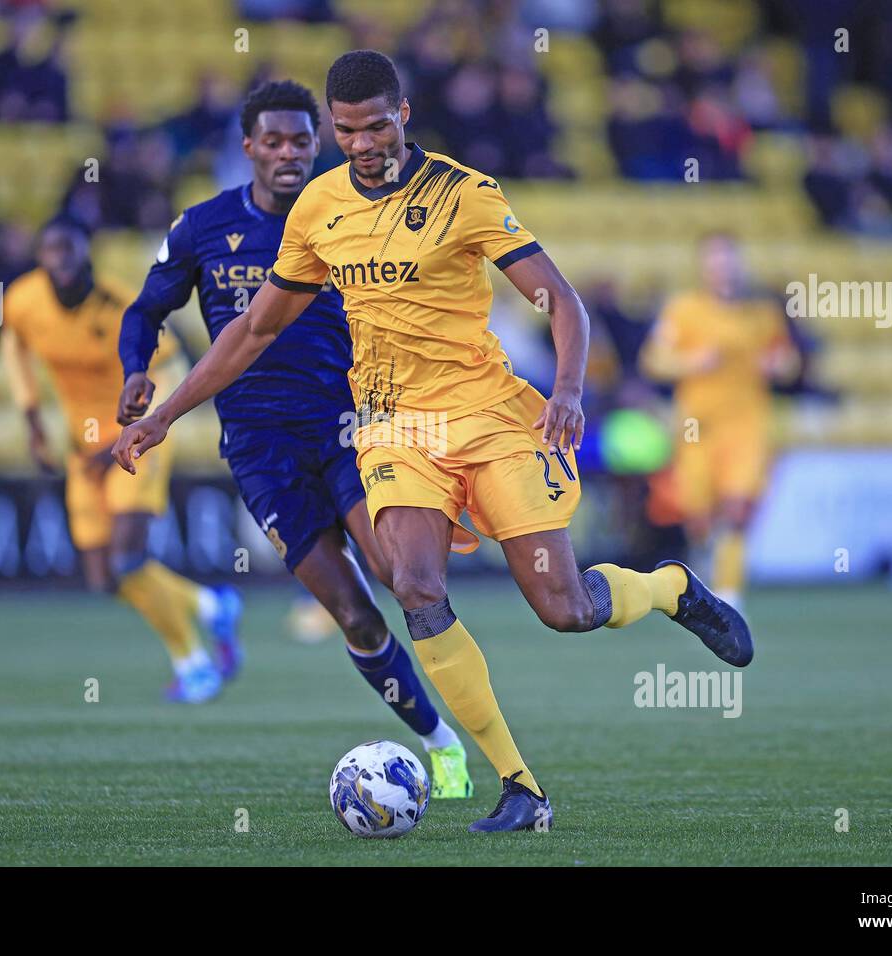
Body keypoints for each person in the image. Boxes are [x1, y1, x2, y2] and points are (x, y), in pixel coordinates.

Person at [113, 52, 753, 832]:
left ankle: (671, 588)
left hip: (487, 415)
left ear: (404, 113)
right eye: (347, 130)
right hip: (393, 427)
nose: (363, 143)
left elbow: (563, 301)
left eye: (376, 125)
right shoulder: (318, 209)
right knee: (414, 586)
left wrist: (569, 390)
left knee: (564, 608)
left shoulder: (464, 194)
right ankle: (521, 786)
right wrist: (165, 414)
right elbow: (254, 330)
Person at [115, 81, 473, 799]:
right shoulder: (202, 228)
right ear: (247, 147)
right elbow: (145, 308)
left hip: (350, 429)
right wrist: (135, 372)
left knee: (408, 581)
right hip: (259, 449)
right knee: (354, 613)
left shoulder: (353, 217)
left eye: (300, 141)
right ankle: (440, 742)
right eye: (272, 141)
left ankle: (474, 745)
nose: (287, 153)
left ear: (320, 144)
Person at [1, 215, 241, 703]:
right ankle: (210, 606)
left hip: (133, 439)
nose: (61, 259)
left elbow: (171, 362)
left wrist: (144, 426)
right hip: (80, 449)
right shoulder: (23, 300)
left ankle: (192, 664)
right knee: (104, 576)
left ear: (86, 253)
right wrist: (31, 421)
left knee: (129, 557)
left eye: (69, 249)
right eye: (51, 250)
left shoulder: (119, 306)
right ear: (40, 258)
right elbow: (13, 347)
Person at [641, 232, 800, 611]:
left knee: (738, 507)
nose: (723, 267)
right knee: (700, 516)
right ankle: (703, 575)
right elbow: (653, 360)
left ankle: (729, 593)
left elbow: (789, 363)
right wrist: (692, 362)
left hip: (748, 426)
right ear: (704, 267)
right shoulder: (683, 311)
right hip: (697, 429)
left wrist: (778, 366)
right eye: (715, 260)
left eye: (729, 259)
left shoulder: (763, 315)